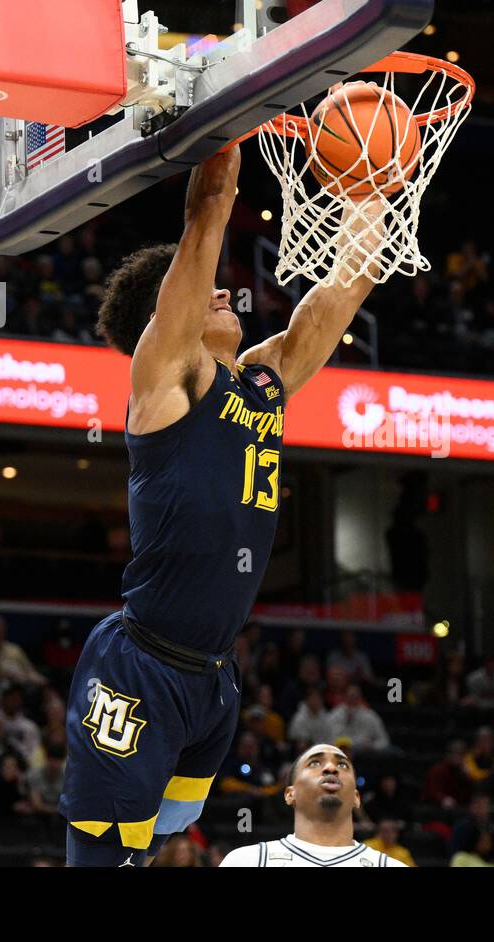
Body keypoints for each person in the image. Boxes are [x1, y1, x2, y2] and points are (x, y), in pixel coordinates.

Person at [61, 147, 381, 867]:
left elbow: (341, 291)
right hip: (138, 668)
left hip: (213, 677)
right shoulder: (167, 377)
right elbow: (205, 223)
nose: (224, 294)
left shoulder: (263, 382)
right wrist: (225, 126)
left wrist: (368, 198)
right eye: (203, 293)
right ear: (163, 317)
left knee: (175, 837)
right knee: (108, 859)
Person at [219, 744, 407, 866]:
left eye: (342, 766)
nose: (331, 768)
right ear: (290, 794)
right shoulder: (246, 861)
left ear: (356, 797)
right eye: (315, 763)